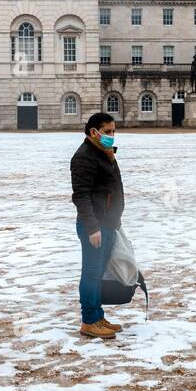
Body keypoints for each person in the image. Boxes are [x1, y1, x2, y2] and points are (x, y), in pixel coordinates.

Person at [70, 112, 125, 339]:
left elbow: (114, 186)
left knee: (99, 272)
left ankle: (97, 315)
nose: (112, 135)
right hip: (94, 225)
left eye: (114, 131)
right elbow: (80, 196)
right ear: (94, 132)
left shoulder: (104, 153)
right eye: (107, 132)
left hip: (108, 223)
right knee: (91, 274)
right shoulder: (84, 157)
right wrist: (92, 227)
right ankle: (89, 321)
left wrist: (111, 158)